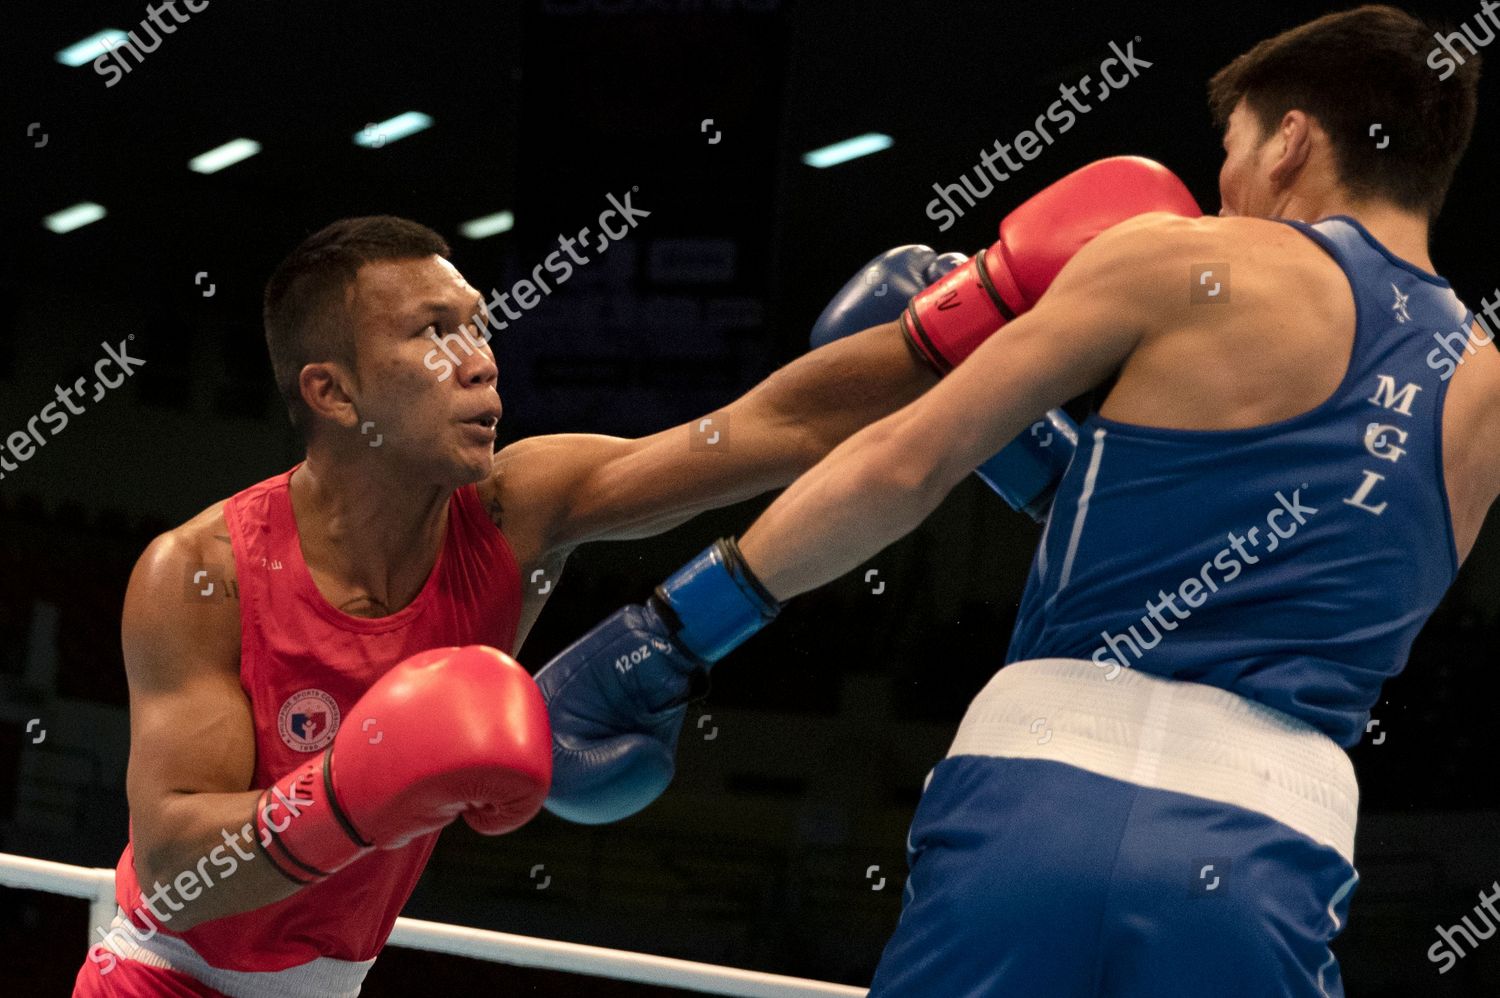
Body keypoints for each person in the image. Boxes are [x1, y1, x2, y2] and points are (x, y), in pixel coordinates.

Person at [535, 6, 1496, 995]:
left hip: (1038, 794)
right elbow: (1283, 569)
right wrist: (1059, 471)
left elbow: (902, 465)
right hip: (1273, 840)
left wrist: (666, 634)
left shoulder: (1183, 256)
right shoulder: (1486, 392)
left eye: (1234, 147)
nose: (1226, 185)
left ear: (1291, 136)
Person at [71, 150, 1190, 994]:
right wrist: (359, 793)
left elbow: (774, 427)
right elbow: (176, 861)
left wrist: (975, 305)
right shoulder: (199, 571)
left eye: (478, 324)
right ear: (332, 392)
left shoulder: (519, 506)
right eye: (431, 334)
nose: (479, 357)